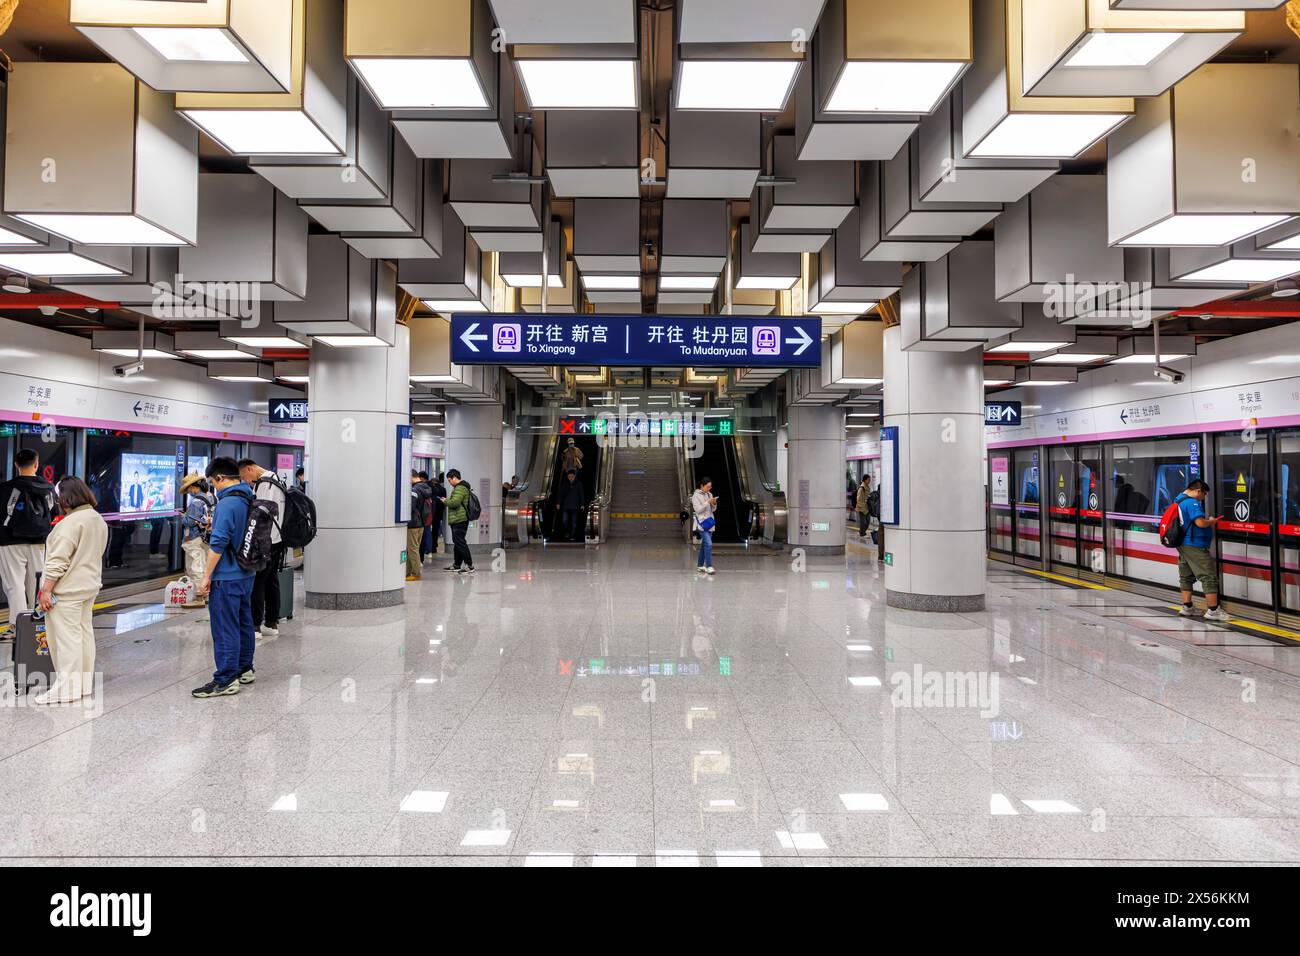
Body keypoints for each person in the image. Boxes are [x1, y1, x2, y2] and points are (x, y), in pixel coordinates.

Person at [32, 478, 107, 704]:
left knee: (66, 641)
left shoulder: (70, 523)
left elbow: (57, 561)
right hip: (88, 587)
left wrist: (46, 591)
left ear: (65, 498)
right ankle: (82, 685)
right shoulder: (96, 518)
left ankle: (66, 689)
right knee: (84, 636)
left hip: (68, 591)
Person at [193, 458, 256, 698]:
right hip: (246, 572)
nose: (214, 487)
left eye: (213, 482)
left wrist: (206, 576)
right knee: (243, 622)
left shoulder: (227, 503)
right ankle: (244, 669)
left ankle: (226, 678)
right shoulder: (248, 497)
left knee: (224, 627)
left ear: (220, 478)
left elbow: (218, 544)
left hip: (227, 576)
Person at [0, 449, 57, 637]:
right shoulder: (48, 488)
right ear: (36, 464)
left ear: (16, 464)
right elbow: (53, 512)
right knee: (37, 583)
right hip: (39, 541)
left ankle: (18, 626)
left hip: (10, 542)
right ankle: (38, 621)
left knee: (14, 584)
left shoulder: (7, 488)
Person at [238, 458, 286, 640]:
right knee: (271, 580)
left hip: (267, 541)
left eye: (245, 477)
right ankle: (272, 622)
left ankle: (255, 625)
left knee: (258, 582)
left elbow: (261, 514)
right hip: (278, 539)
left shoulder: (265, 483)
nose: (246, 481)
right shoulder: (276, 479)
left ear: (250, 468)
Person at [1174, 478, 1229, 622]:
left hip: (1183, 544)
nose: (1203, 498)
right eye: (1204, 494)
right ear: (1198, 491)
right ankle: (1213, 610)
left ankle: (1187, 607)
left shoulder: (1178, 500)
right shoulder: (1192, 502)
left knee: (1186, 576)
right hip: (1195, 545)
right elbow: (1200, 522)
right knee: (1208, 576)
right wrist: (1212, 521)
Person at [179, 473, 214, 605]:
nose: (188, 492)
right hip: (207, 537)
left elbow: (189, 522)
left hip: (194, 538)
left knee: (195, 566)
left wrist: (183, 517)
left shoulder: (196, 502)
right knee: (205, 566)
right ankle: (207, 593)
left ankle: (200, 595)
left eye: (189, 489)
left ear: (194, 487)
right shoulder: (212, 497)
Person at [441, 469, 474, 573]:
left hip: (460, 520)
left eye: (450, 480)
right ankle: (457, 564)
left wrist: (445, 501)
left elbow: (455, 503)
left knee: (460, 542)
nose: (449, 482)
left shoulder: (460, 488)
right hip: (458, 519)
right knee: (457, 542)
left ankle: (469, 565)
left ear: (455, 478)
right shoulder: (461, 487)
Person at [407, 470, 432, 581]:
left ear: (411, 477)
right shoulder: (425, 487)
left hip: (413, 523)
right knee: (413, 548)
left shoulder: (414, 490)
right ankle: (408, 571)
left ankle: (416, 573)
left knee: (412, 549)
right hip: (422, 522)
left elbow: (410, 508)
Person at [692, 476, 718, 575]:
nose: (709, 489)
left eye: (710, 487)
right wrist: (708, 502)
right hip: (702, 524)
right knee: (709, 544)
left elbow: (713, 510)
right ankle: (709, 566)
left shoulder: (710, 494)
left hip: (710, 523)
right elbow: (698, 510)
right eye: (707, 487)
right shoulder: (696, 496)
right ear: (702, 486)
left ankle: (699, 565)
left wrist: (714, 503)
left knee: (704, 545)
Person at [557, 469, 586, 542]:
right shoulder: (565, 484)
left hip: (575, 506)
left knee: (574, 522)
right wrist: (558, 503)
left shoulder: (579, 484)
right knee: (564, 520)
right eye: (569, 476)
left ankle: (572, 535)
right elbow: (561, 495)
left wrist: (582, 504)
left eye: (571, 476)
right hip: (566, 506)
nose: (570, 478)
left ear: (574, 476)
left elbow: (581, 495)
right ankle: (567, 532)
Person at [426, 471, 447, 562]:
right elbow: (444, 501)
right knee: (435, 529)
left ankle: (429, 548)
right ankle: (434, 546)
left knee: (428, 530)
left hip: (430, 513)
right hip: (439, 513)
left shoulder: (430, 489)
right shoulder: (443, 489)